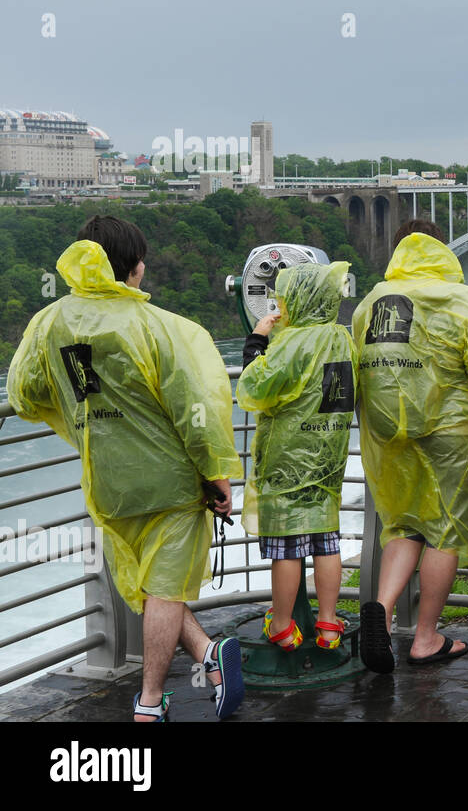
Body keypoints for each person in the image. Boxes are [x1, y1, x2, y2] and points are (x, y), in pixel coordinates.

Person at [7, 215, 245, 721]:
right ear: (135, 269)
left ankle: (209, 656)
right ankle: (151, 703)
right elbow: (194, 409)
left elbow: (24, 394)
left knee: (155, 583)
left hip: (108, 480)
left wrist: (85, 409)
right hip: (171, 482)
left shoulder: (50, 323)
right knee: (163, 587)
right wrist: (217, 473)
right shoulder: (163, 328)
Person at [352, 220, 468, 673]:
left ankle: (380, 616)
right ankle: (426, 638)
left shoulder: (370, 303)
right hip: (452, 429)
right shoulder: (464, 301)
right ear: (442, 252)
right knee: (446, 530)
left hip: (389, 432)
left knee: (404, 524)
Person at [236, 261, 356, 652]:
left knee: (287, 544)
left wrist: (256, 342)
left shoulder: (293, 342)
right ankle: (328, 624)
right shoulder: (343, 338)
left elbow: (256, 387)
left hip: (289, 459)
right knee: (326, 540)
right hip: (329, 456)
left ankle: (284, 627)